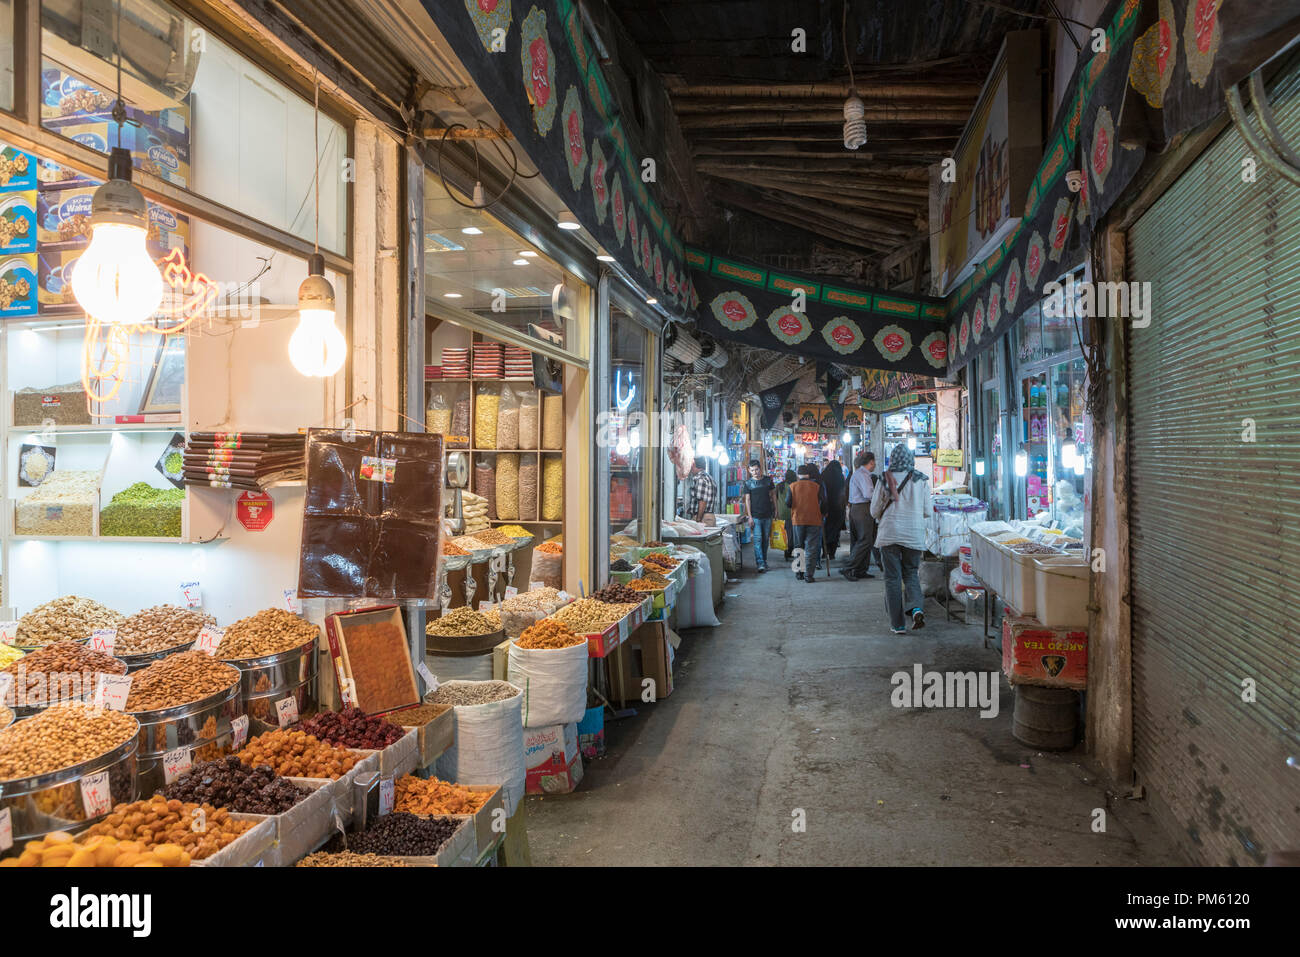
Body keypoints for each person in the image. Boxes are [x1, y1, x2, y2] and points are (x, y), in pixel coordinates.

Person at [870, 444, 932, 633]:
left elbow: (873, 511)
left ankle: (897, 625)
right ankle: (916, 609)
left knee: (892, 579)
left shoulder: (884, 479)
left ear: (892, 459)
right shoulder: (921, 480)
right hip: (913, 535)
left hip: (889, 534)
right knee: (911, 574)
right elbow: (928, 511)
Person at [841, 451, 879, 581]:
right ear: (871, 462)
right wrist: (881, 496)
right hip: (862, 509)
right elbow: (868, 494)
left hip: (857, 509)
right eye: (874, 462)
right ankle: (849, 567)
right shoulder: (863, 474)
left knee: (859, 540)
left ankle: (860, 570)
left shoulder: (858, 473)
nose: (875, 465)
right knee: (865, 540)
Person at [785, 464, 826, 582]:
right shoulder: (816, 486)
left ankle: (799, 572)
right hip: (814, 520)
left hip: (798, 520)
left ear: (798, 474)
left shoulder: (792, 486)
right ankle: (809, 575)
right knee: (811, 548)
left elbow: (788, 503)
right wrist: (823, 513)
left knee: (798, 546)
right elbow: (824, 502)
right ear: (809, 474)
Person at [743, 459, 777, 572]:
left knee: (765, 540)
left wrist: (776, 510)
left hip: (768, 514)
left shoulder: (768, 481)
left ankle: (764, 561)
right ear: (749, 470)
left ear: (760, 468)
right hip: (756, 516)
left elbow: (773, 496)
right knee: (758, 539)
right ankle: (760, 563)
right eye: (752, 470)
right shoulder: (748, 483)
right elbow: (747, 500)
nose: (755, 472)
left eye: (756, 469)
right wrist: (750, 516)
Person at [821, 460, 847, 563]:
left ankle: (824, 552)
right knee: (835, 531)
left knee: (825, 530)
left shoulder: (824, 475)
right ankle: (832, 553)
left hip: (826, 508)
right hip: (838, 508)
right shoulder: (840, 477)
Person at [774, 468, 797, 562]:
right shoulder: (794, 486)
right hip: (792, 513)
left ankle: (786, 550)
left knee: (785, 533)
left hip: (781, 513)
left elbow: (774, 498)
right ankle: (789, 551)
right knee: (791, 534)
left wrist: (776, 511)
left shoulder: (779, 486)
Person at [686, 456, 717, 524]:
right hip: (708, 516)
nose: (690, 468)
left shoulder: (700, 479)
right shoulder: (709, 478)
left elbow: (702, 501)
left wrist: (698, 520)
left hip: (703, 518)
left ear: (693, 464)